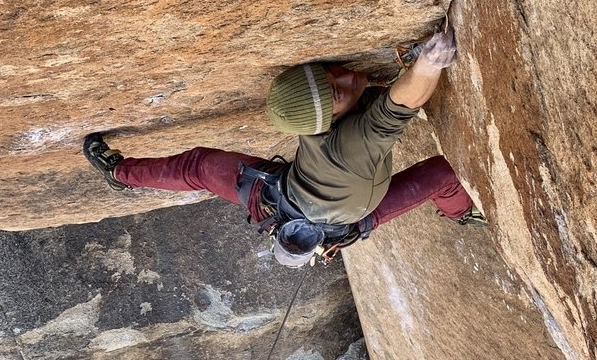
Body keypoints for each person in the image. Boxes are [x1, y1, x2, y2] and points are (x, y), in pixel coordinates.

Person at [83, 28, 485, 265]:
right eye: (336, 92)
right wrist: (428, 65)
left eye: (330, 78)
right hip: (340, 213)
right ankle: (463, 214)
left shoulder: (303, 116)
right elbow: (399, 105)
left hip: (281, 192)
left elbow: (347, 97)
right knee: (444, 176)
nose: (347, 77)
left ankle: (120, 173)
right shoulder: (351, 152)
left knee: (200, 167)